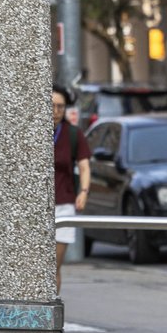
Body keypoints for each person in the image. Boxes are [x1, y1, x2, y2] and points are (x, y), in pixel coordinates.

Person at [53, 85, 91, 293]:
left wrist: (83, 192)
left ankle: (51, 313)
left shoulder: (73, 134)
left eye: (61, 107)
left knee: (53, 267)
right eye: (51, 106)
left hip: (64, 205)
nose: (56, 111)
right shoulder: (33, 131)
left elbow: (84, 166)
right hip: (36, 208)